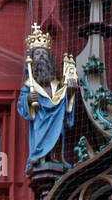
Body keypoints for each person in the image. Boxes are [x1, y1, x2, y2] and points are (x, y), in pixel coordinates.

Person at [16, 24, 77, 166]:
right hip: (40, 121)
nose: (41, 56)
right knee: (40, 134)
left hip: (57, 119)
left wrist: (70, 94)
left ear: (50, 59)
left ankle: (54, 157)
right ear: (31, 59)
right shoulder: (29, 86)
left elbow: (65, 102)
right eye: (37, 54)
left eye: (44, 53)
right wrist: (28, 99)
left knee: (57, 135)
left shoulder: (57, 85)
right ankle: (39, 155)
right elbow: (21, 105)